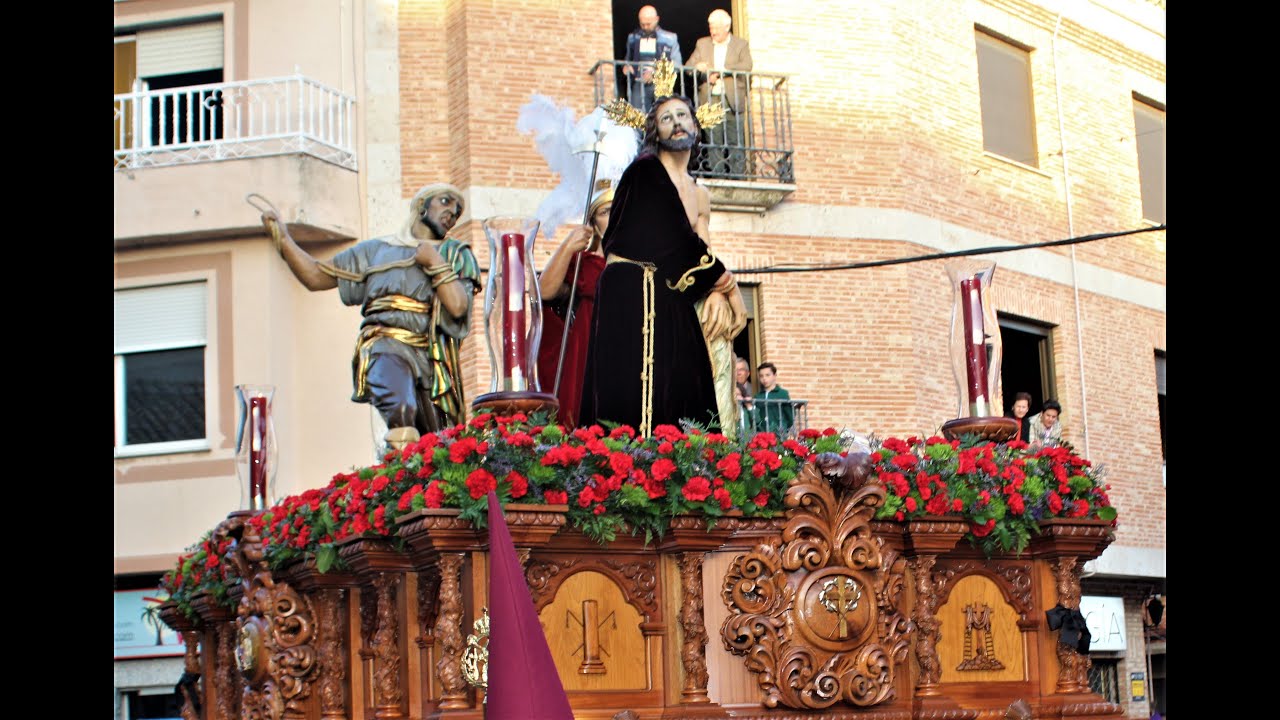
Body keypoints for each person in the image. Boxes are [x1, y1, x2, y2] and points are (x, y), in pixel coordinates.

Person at [259, 184, 481, 451]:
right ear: (421, 205)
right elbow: (315, 276)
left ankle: (414, 485)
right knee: (400, 410)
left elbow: (458, 307)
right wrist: (283, 240)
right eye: (445, 202)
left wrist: (434, 262)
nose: (451, 213)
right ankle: (400, 483)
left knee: (438, 443)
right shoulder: (375, 252)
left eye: (457, 211)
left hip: (432, 358)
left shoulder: (456, 254)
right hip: (384, 343)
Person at [580, 94, 747, 437]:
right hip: (635, 291)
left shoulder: (697, 191)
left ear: (696, 126)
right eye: (666, 118)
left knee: (687, 383)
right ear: (655, 131)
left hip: (670, 290)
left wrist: (716, 292)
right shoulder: (645, 171)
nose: (676, 123)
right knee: (637, 396)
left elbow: (698, 245)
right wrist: (726, 284)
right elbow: (674, 242)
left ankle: (688, 467)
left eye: (682, 115)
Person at [535, 181, 613, 428]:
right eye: (605, 211)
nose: (615, 215)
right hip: (588, 354)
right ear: (593, 225)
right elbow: (544, 292)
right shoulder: (583, 264)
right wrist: (568, 246)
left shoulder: (644, 264)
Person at [687, 9, 753, 177]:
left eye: (717, 28)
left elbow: (746, 66)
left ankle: (738, 179)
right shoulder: (702, 44)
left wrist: (723, 71)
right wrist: (701, 71)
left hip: (732, 100)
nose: (713, 32)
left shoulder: (741, 45)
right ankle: (717, 177)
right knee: (713, 141)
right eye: (711, 27)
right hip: (710, 99)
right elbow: (688, 68)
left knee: (735, 140)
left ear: (727, 27)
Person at [622, 5, 682, 112]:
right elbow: (628, 59)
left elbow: (677, 64)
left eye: (648, 24)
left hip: (662, 84)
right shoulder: (633, 38)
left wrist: (655, 72)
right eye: (642, 24)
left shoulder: (670, 38)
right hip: (639, 83)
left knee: (663, 114)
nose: (645, 27)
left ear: (657, 19)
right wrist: (626, 67)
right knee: (637, 117)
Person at [753, 362, 793, 435]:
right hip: (761, 434)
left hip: (778, 434)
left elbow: (790, 416)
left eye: (767, 375)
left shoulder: (782, 393)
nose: (764, 378)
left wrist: (784, 428)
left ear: (774, 375)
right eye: (761, 376)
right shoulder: (757, 396)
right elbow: (755, 416)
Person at [733, 356, 754, 433]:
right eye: (735, 370)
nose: (738, 373)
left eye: (741, 369)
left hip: (751, 434)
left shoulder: (755, 390)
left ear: (748, 373)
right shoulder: (728, 391)